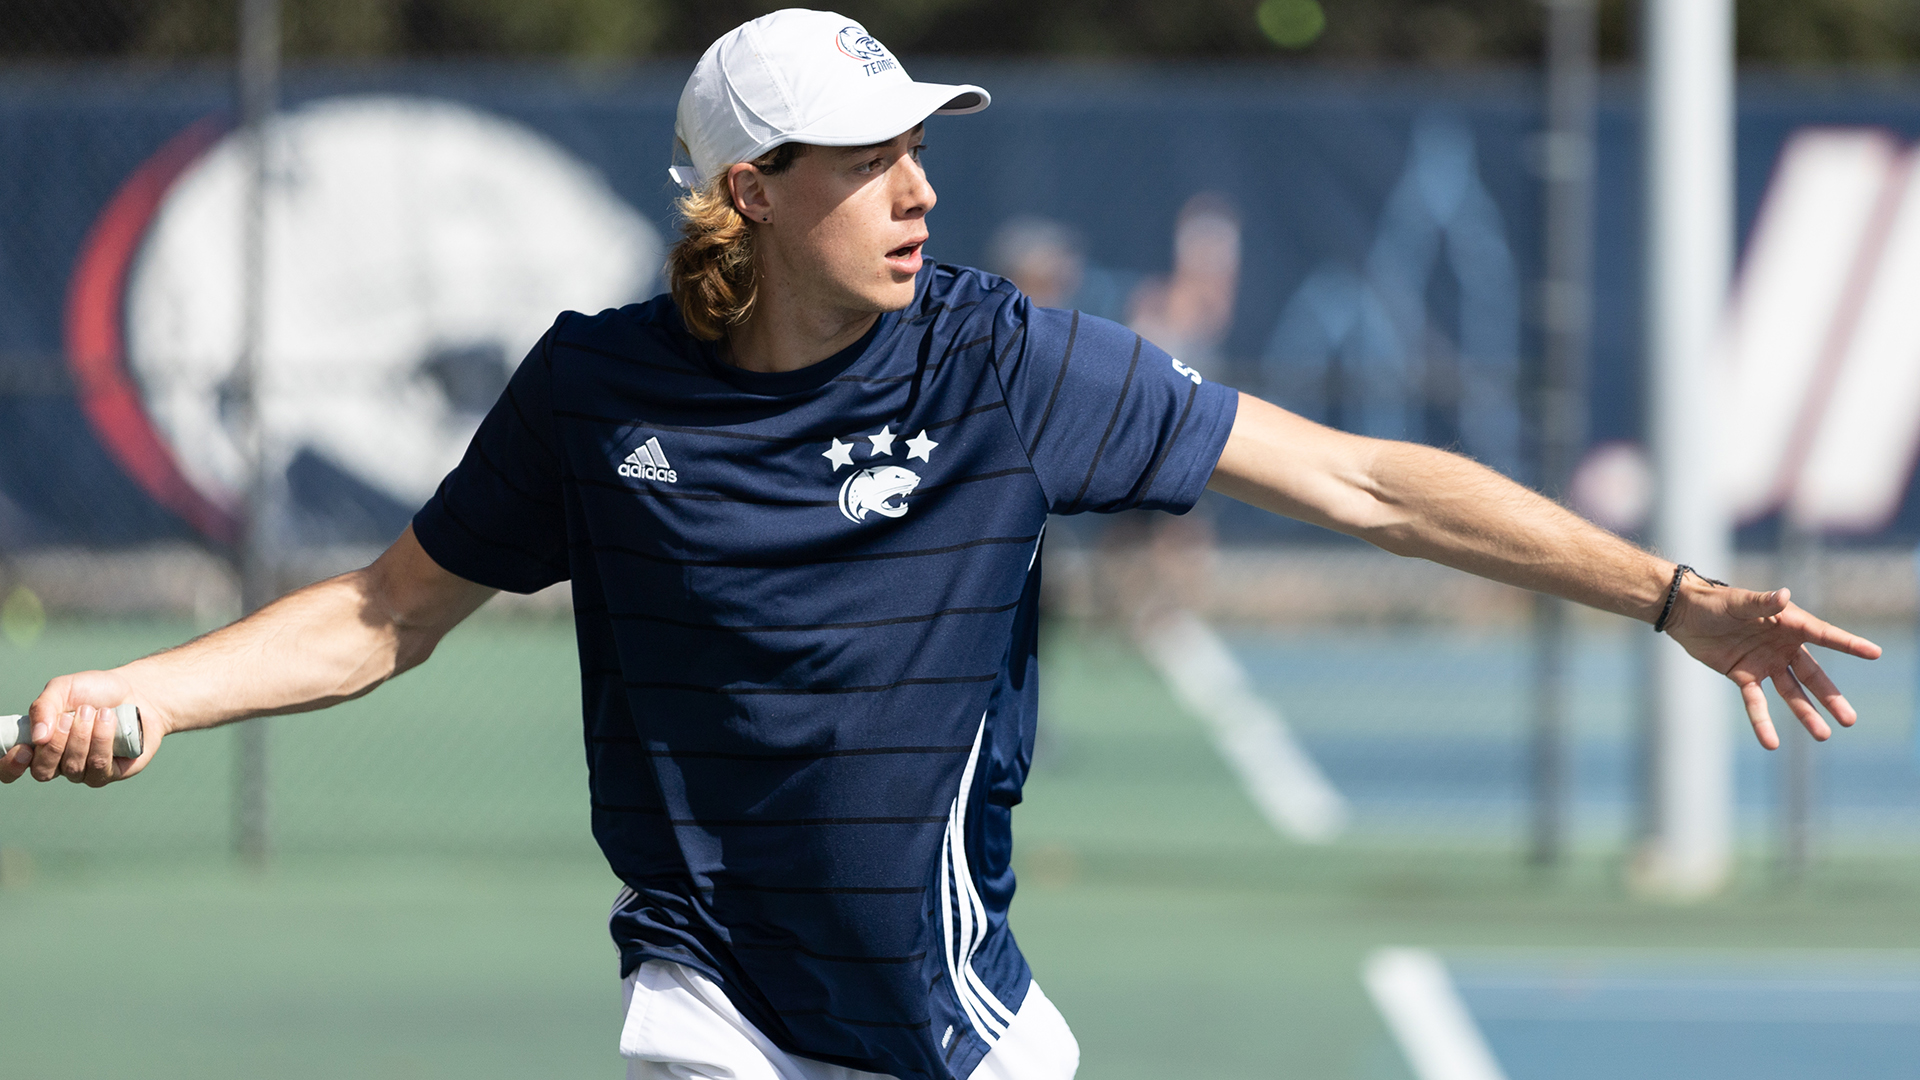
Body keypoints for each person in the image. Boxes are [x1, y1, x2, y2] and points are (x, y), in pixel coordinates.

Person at [2, 10, 1881, 1080]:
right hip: (713, 1007)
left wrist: (1675, 599)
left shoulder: (1004, 364)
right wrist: (143, 693)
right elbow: (378, 610)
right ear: (752, 192)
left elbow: (1367, 485)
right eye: (867, 157)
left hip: (958, 1015)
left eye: (925, 145)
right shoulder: (594, 397)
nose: (917, 186)